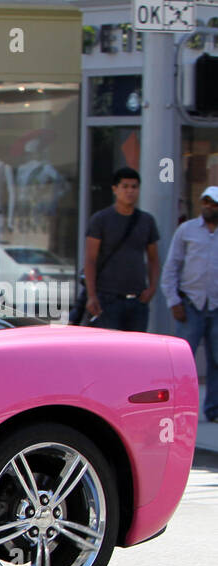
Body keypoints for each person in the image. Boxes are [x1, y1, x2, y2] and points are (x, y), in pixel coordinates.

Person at [162, 185, 218, 422]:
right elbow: (171, 267)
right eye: (205, 201)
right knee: (183, 362)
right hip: (190, 304)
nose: (207, 206)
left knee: (217, 360)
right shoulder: (186, 230)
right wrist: (173, 300)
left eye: (213, 203)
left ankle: (213, 410)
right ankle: (180, 410)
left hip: (216, 306)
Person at [84, 167, 160, 331]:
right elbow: (90, 259)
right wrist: (91, 296)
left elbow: (153, 258)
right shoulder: (101, 220)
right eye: (125, 186)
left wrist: (152, 287)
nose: (130, 191)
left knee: (136, 351)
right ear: (115, 189)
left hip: (138, 300)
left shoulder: (147, 221)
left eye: (134, 187)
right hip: (108, 298)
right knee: (109, 351)